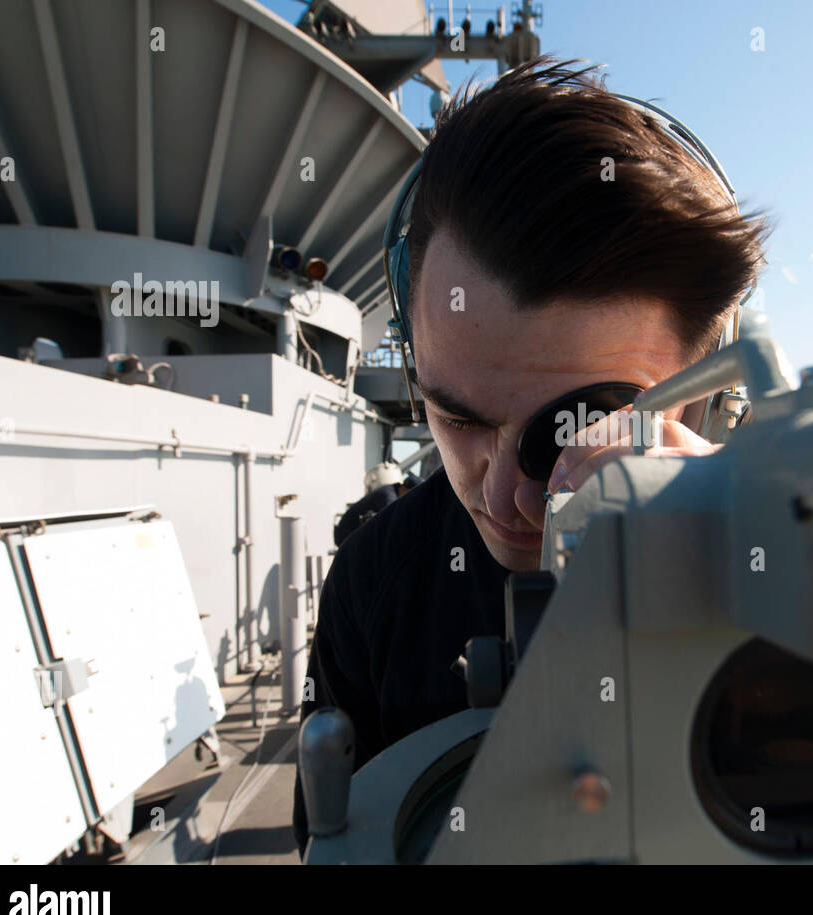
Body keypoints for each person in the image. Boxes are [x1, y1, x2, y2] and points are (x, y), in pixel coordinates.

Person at [292, 57, 769, 858]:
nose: (511, 498)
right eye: (458, 418)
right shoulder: (374, 582)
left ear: (707, 397)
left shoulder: (786, 570)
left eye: (575, 426)